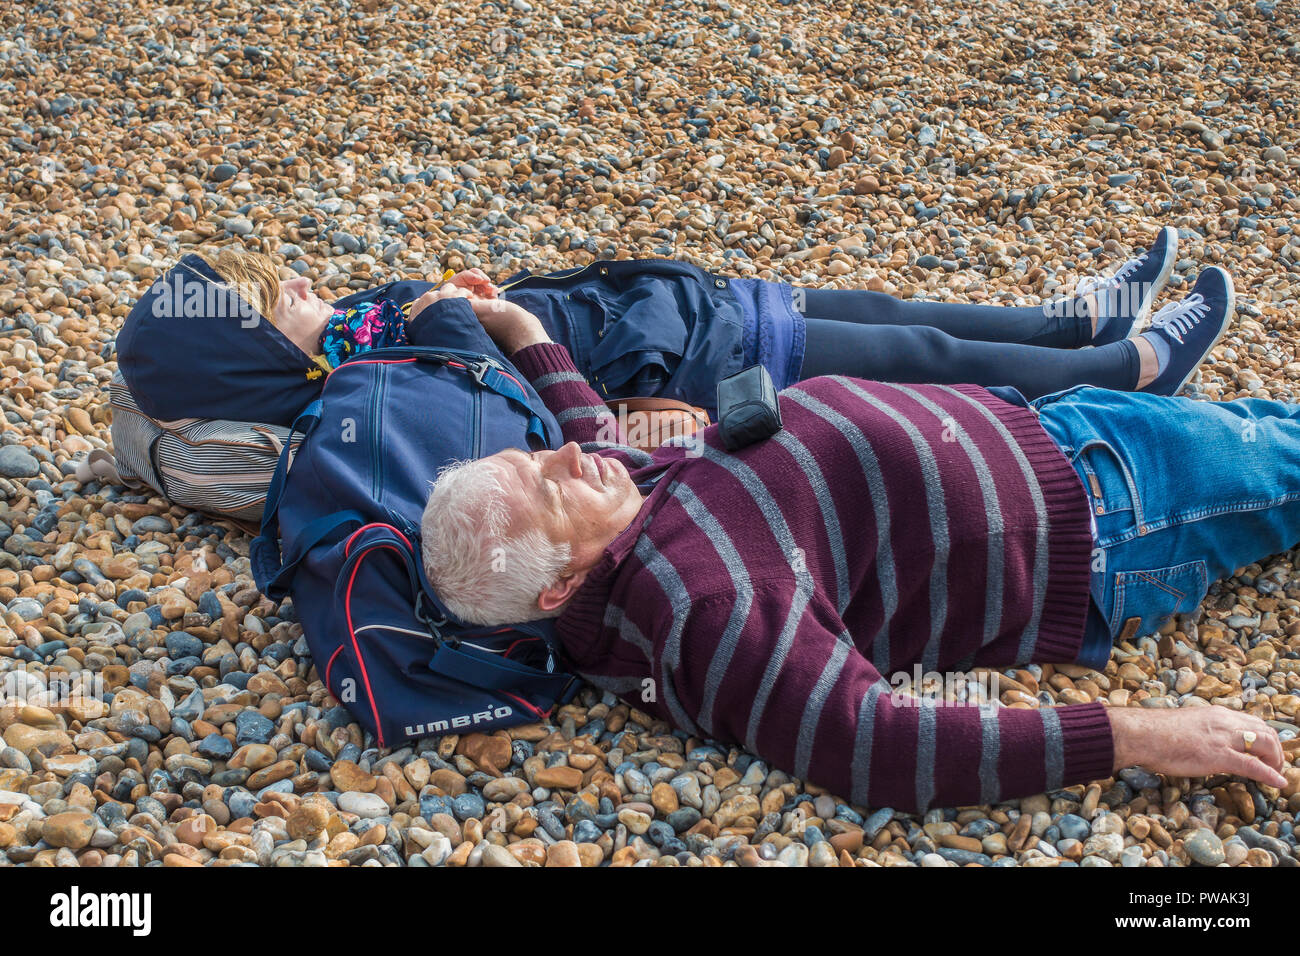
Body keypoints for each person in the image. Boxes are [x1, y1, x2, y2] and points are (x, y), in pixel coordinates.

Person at [419, 294, 1290, 814]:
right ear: (556, 586)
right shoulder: (709, 613)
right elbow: (875, 744)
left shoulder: (609, 549)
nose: (568, 460)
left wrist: (525, 329)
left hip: (1048, 437)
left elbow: (589, 435)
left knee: (1268, 424)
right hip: (1110, 516)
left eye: (532, 457)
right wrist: (1146, 736)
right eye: (549, 488)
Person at [114, 226, 1230, 432]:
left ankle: (1070, 314)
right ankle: (1129, 367)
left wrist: (474, 290)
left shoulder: (360, 330)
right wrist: (467, 318)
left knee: (894, 312)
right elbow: (518, 406)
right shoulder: (373, 382)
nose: (310, 283)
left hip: (691, 306)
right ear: (263, 355)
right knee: (925, 366)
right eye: (283, 297)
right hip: (701, 360)